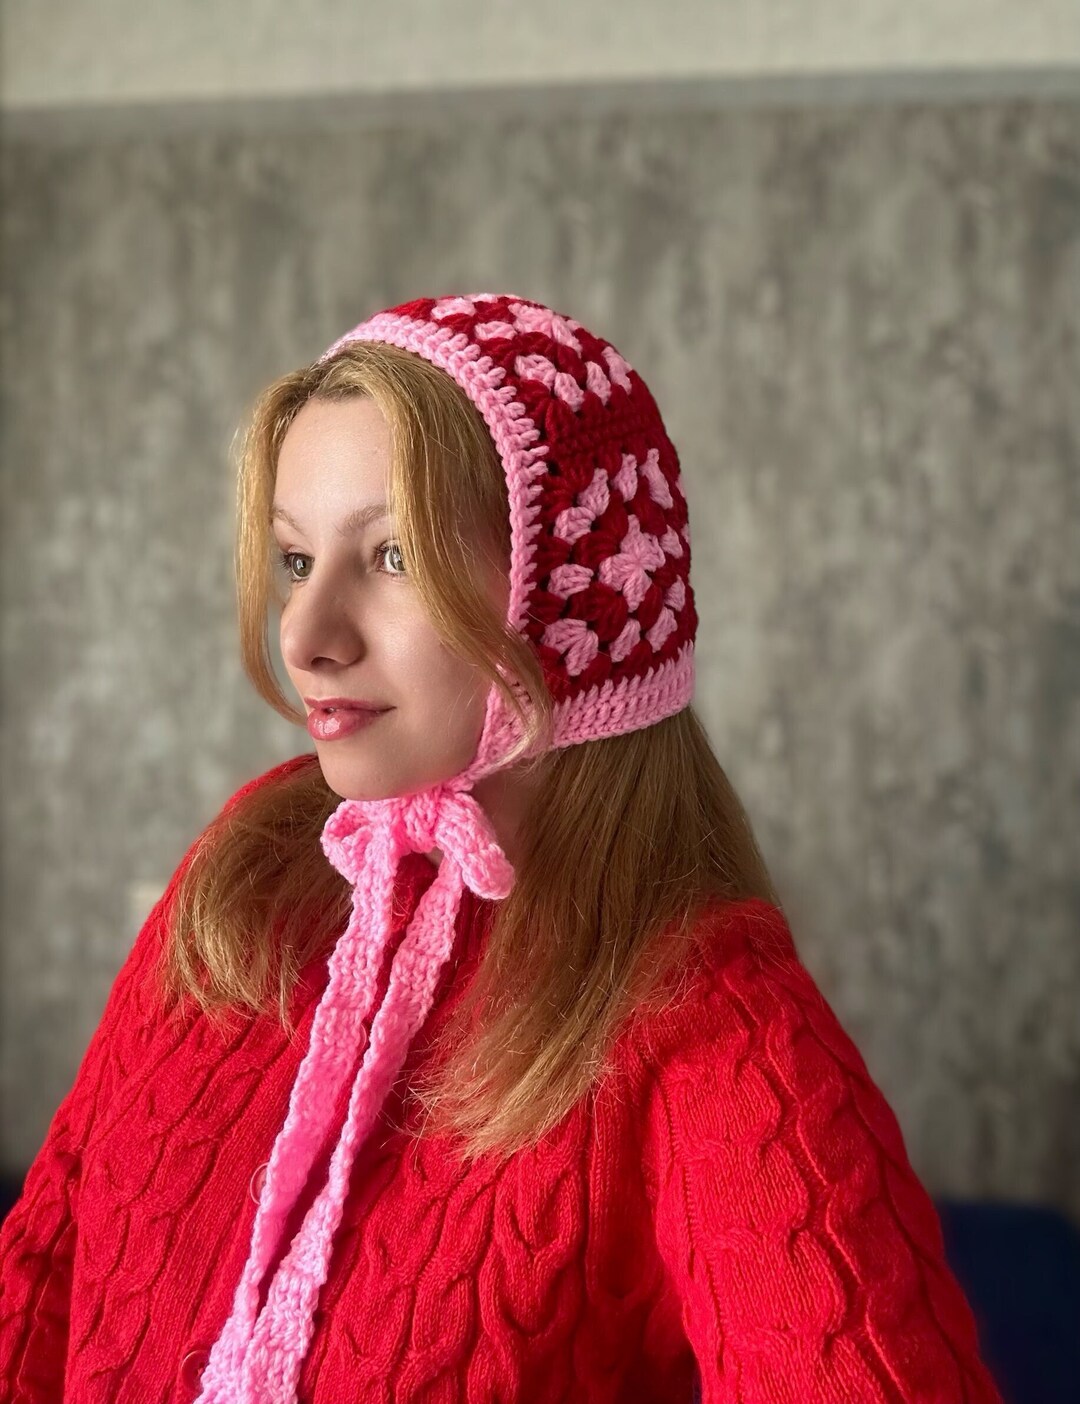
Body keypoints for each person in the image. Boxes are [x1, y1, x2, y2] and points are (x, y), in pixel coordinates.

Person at [0, 292, 1004, 1403]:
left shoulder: (709, 1018)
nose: (307, 635)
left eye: (392, 558)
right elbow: (39, 1289)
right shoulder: (242, 881)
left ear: (569, 594)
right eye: (294, 560)